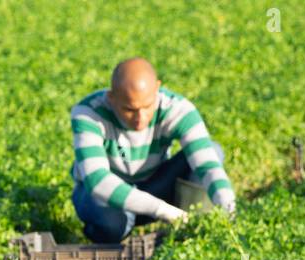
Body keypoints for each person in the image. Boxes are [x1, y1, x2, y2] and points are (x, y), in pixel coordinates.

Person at [70, 57, 236, 243]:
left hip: (155, 185)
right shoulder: (89, 113)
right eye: (130, 110)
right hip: (105, 198)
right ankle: (110, 235)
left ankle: (191, 235)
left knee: (213, 150)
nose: (140, 118)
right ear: (112, 98)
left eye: (147, 106)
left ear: (157, 88)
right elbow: (97, 181)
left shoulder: (177, 109)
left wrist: (228, 210)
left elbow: (208, 166)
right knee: (112, 225)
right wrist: (164, 210)